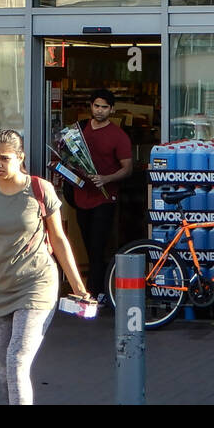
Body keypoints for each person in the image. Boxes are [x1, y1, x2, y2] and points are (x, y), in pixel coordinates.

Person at [0, 129, 89, 405]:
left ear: (20, 158)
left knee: (16, 361)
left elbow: (59, 240)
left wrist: (78, 286)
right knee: (5, 372)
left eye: (4, 158)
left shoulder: (40, 189)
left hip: (37, 283)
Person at [72, 89, 133, 297]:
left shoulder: (119, 136)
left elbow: (128, 168)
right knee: (89, 246)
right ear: (90, 106)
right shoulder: (80, 130)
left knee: (98, 247)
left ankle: (94, 293)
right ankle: (96, 289)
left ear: (112, 109)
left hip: (105, 198)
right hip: (81, 197)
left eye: (104, 107)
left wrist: (106, 179)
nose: (99, 110)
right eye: (96, 106)